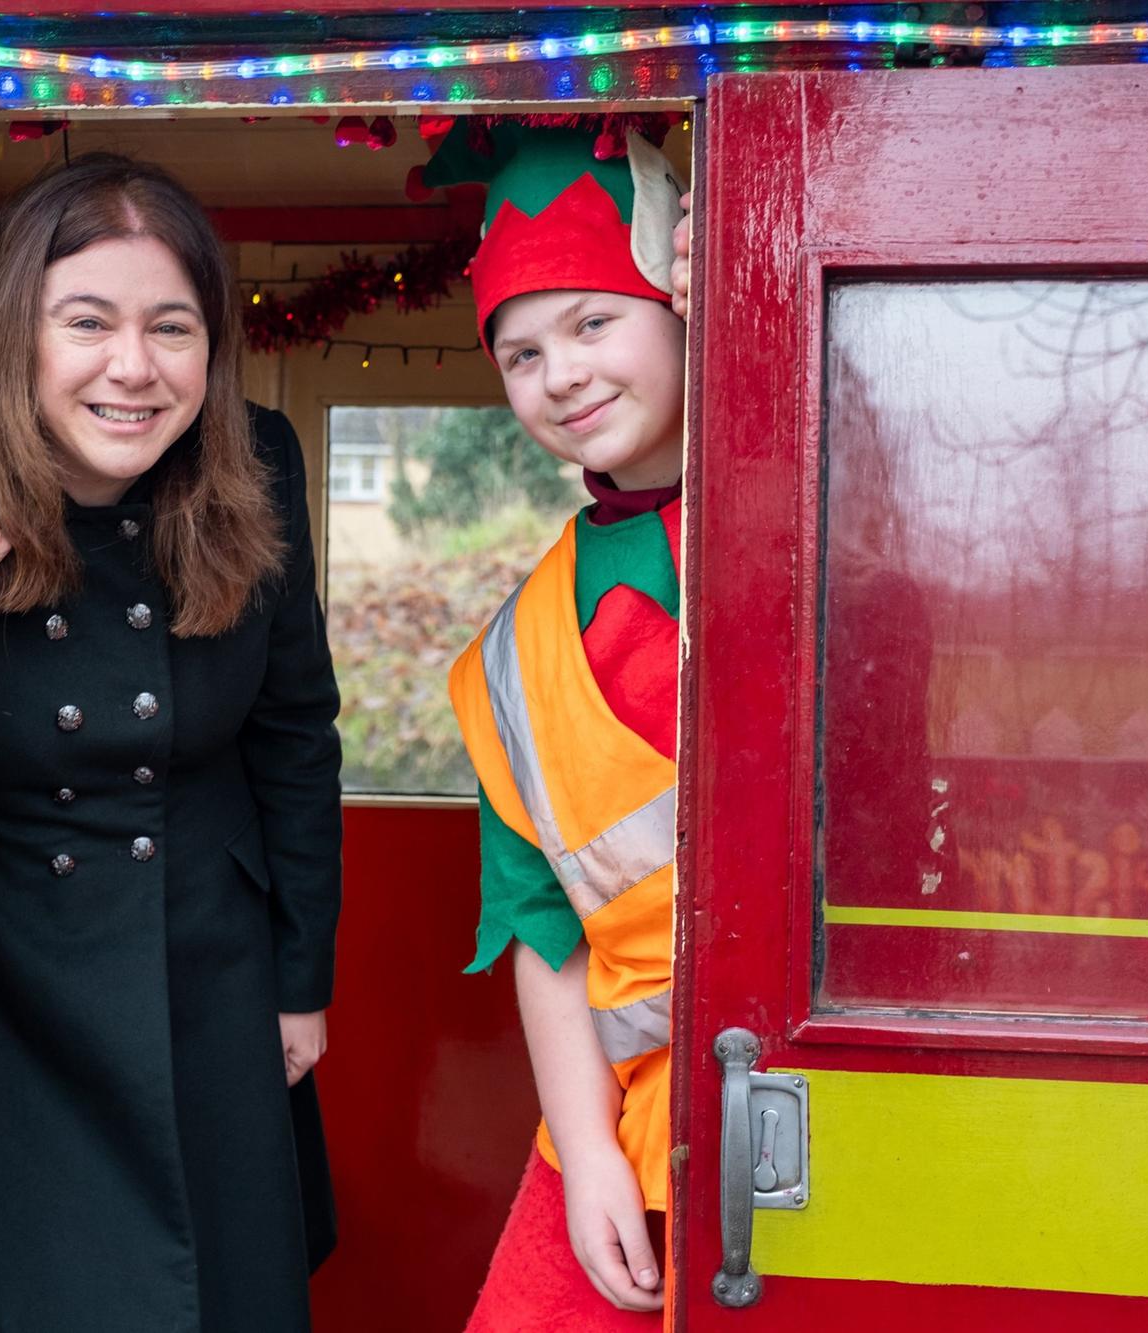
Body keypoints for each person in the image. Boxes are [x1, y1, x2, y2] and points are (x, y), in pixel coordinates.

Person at [0, 152, 341, 1333]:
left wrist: (299, 980)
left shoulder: (258, 461)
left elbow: (294, 734)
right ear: (17, 335)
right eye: (87, 322)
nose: (132, 367)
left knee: (224, 1292)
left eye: (170, 328)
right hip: (10, 983)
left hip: (212, 968)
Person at [417, 119, 690, 1328]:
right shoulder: (515, 647)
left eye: (594, 322)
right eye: (520, 354)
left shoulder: (820, 502)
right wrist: (584, 1154)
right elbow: (543, 929)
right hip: (633, 1122)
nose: (561, 375)